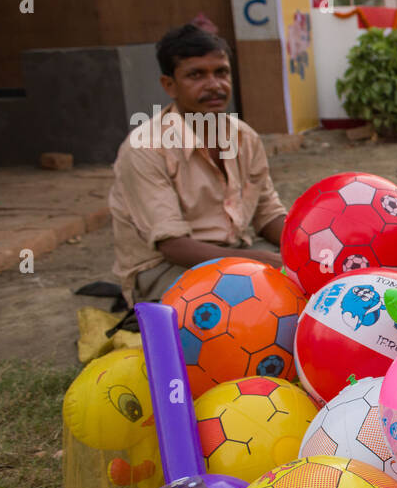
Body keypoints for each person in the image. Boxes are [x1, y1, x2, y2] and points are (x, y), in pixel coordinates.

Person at [109, 24, 286, 305]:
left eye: (221, 72)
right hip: (167, 268)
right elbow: (173, 247)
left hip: (236, 252)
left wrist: (309, 247)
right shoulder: (145, 148)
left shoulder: (244, 137)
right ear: (169, 85)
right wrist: (262, 261)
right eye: (196, 75)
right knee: (257, 303)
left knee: (312, 279)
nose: (215, 85)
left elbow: (267, 214)